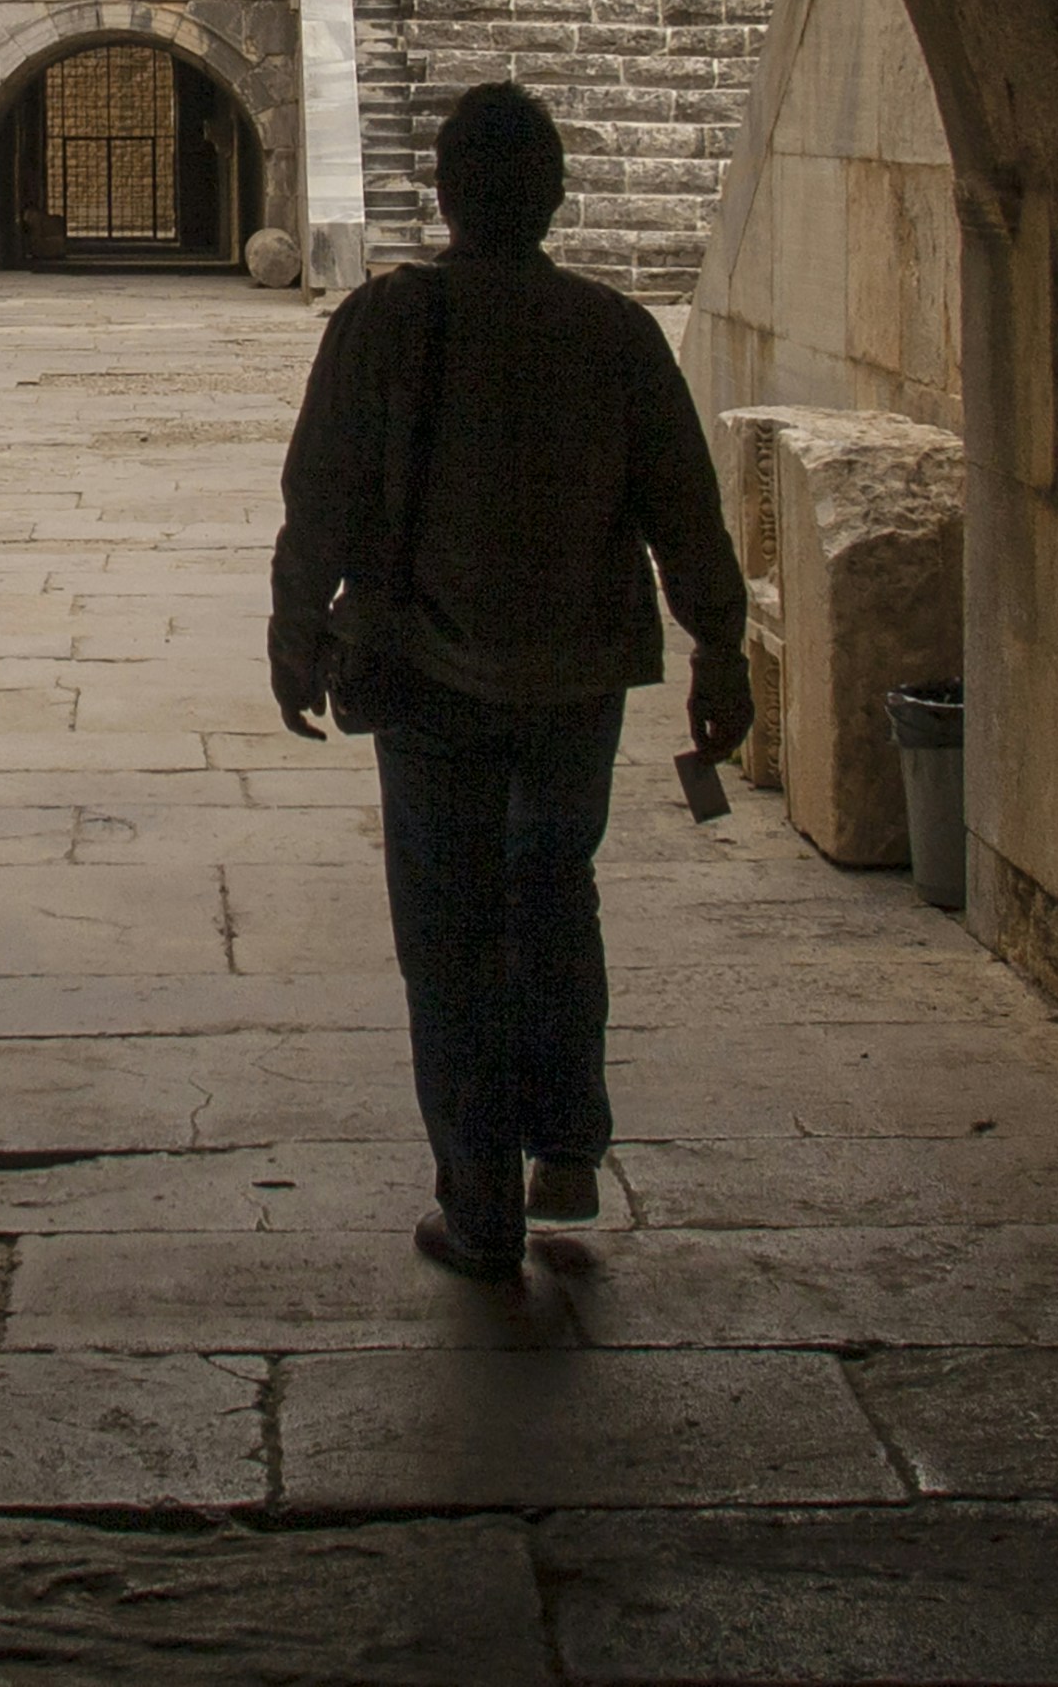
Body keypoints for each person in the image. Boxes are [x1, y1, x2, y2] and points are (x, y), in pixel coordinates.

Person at [268, 83, 752, 1279]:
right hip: (578, 677)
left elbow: (319, 488)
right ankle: (569, 1151)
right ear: (556, 197)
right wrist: (721, 644)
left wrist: (292, 626)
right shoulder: (614, 330)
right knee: (553, 892)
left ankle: (478, 1196)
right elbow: (686, 506)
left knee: (450, 929)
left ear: (442, 194)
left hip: (428, 675)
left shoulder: (385, 322)